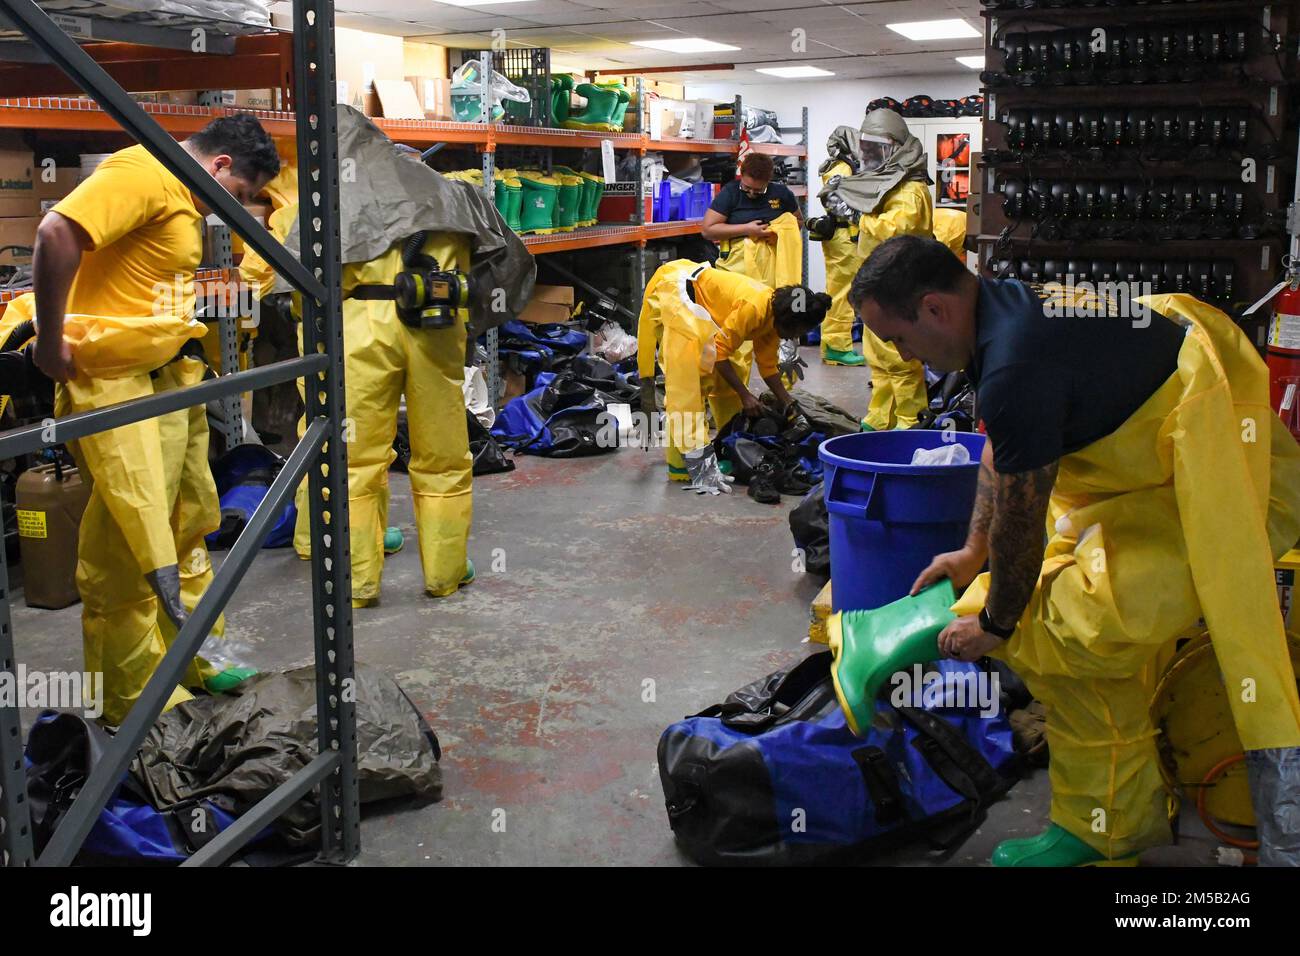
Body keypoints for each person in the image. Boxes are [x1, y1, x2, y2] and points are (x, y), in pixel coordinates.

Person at [849, 234, 1300, 867]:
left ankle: (1107, 828)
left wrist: (996, 626)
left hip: (1205, 484)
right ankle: (1118, 814)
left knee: (1061, 628)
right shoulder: (1001, 309)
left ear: (933, 309)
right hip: (1144, 479)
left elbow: (1023, 522)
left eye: (895, 338)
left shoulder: (1014, 361)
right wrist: (970, 552)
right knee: (1045, 615)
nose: (900, 354)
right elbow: (1002, 450)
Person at [31, 113, 280, 725]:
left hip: (166, 374)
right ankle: (134, 693)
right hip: (113, 383)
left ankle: (197, 656)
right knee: (129, 541)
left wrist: (258, 242)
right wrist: (50, 336)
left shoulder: (184, 200)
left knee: (187, 518)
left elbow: (177, 289)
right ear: (219, 165)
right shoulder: (143, 171)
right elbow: (55, 232)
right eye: (241, 194)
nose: (239, 206)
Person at [240, 108, 533, 606]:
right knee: (443, 454)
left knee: (352, 460)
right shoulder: (451, 191)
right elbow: (508, 264)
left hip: (355, 332)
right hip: (435, 327)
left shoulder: (324, 201)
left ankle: (357, 581)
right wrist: (471, 309)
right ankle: (444, 572)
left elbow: (291, 290)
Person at [637, 259, 827, 493]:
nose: (796, 337)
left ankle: (726, 446)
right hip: (677, 292)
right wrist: (746, 395)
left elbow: (768, 367)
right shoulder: (755, 308)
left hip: (704, 304)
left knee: (728, 381)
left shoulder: (776, 318)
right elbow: (719, 353)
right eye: (799, 331)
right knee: (688, 385)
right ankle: (688, 466)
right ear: (789, 321)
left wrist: (789, 403)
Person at [822, 109, 933, 429]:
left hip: (902, 288)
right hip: (882, 286)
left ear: (896, 148)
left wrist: (858, 216)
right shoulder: (887, 181)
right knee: (881, 361)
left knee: (901, 362)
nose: (869, 156)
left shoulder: (910, 189)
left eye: (876, 150)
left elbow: (896, 232)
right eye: (866, 149)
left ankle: (911, 424)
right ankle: (879, 420)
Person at [702, 151, 803, 286]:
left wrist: (780, 237)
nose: (751, 193)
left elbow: (798, 222)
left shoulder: (782, 194)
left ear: (768, 181)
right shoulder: (730, 193)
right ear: (742, 175)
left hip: (774, 269)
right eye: (746, 188)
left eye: (758, 190)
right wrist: (747, 229)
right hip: (737, 270)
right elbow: (708, 230)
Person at [812, 126, 867, 367]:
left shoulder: (842, 165)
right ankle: (836, 347)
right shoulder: (843, 168)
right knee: (842, 293)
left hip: (844, 237)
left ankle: (836, 345)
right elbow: (831, 199)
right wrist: (860, 219)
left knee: (843, 291)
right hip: (844, 238)